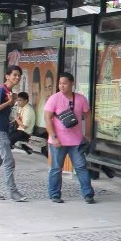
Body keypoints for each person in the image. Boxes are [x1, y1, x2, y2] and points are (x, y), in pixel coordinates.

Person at [44, 72, 95, 204]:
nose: (62, 86)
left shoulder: (80, 99)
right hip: (58, 141)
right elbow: (47, 118)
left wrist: (88, 134)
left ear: (72, 83)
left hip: (76, 141)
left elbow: (88, 115)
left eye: (65, 83)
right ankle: (54, 194)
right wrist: (53, 137)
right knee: (56, 168)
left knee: (81, 167)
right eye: (60, 83)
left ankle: (88, 194)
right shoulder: (54, 99)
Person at [0, 65, 27, 202]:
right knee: (8, 161)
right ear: (7, 76)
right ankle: (13, 192)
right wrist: (9, 102)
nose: (17, 78)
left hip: (2, 130)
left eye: (19, 75)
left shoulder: (10, 91)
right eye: (14, 75)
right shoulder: (1, 90)